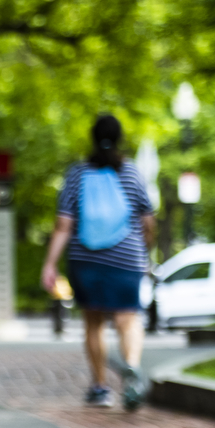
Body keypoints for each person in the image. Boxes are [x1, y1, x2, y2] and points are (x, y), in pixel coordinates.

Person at [40, 114, 155, 409]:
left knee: (93, 322)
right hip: (126, 257)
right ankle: (130, 369)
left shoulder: (77, 174)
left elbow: (63, 224)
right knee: (127, 318)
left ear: (92, 138)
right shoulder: (131, 173)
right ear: (120, 139)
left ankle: (100, 387)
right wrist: (145, 251)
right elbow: (148, 220)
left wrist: (50, 264)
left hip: (85, 258)